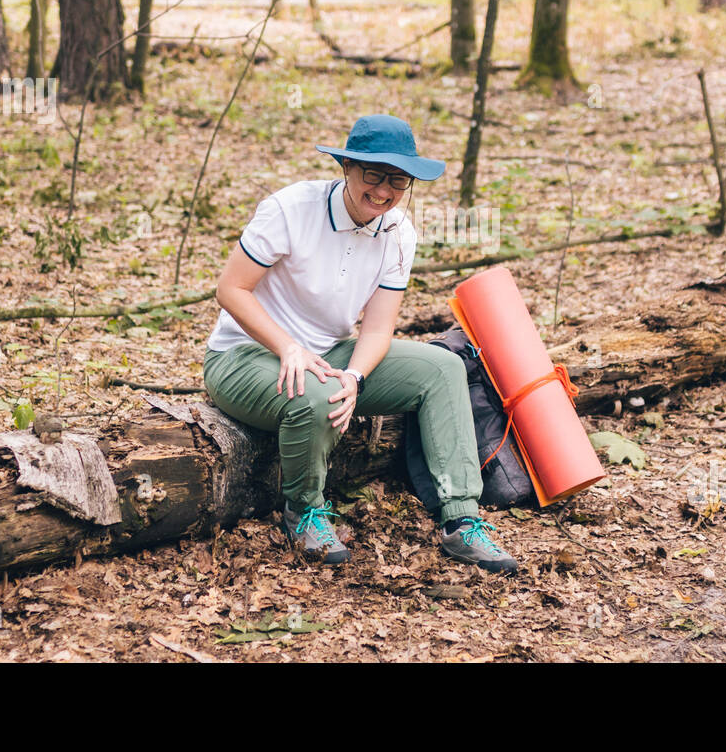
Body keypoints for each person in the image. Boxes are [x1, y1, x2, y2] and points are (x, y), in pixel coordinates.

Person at [203, 114, 519, 573]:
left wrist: (355, 376)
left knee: (443, 367)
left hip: (331, 354)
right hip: (244, 356)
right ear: (346, 166)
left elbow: (376, 329)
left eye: (398, 180)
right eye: (373, 175)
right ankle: (304, 510)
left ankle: (461, 519)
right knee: (315, 392)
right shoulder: (291, 209)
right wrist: (289, 347)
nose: (384, 191)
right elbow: (231, 289)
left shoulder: (398, 232)